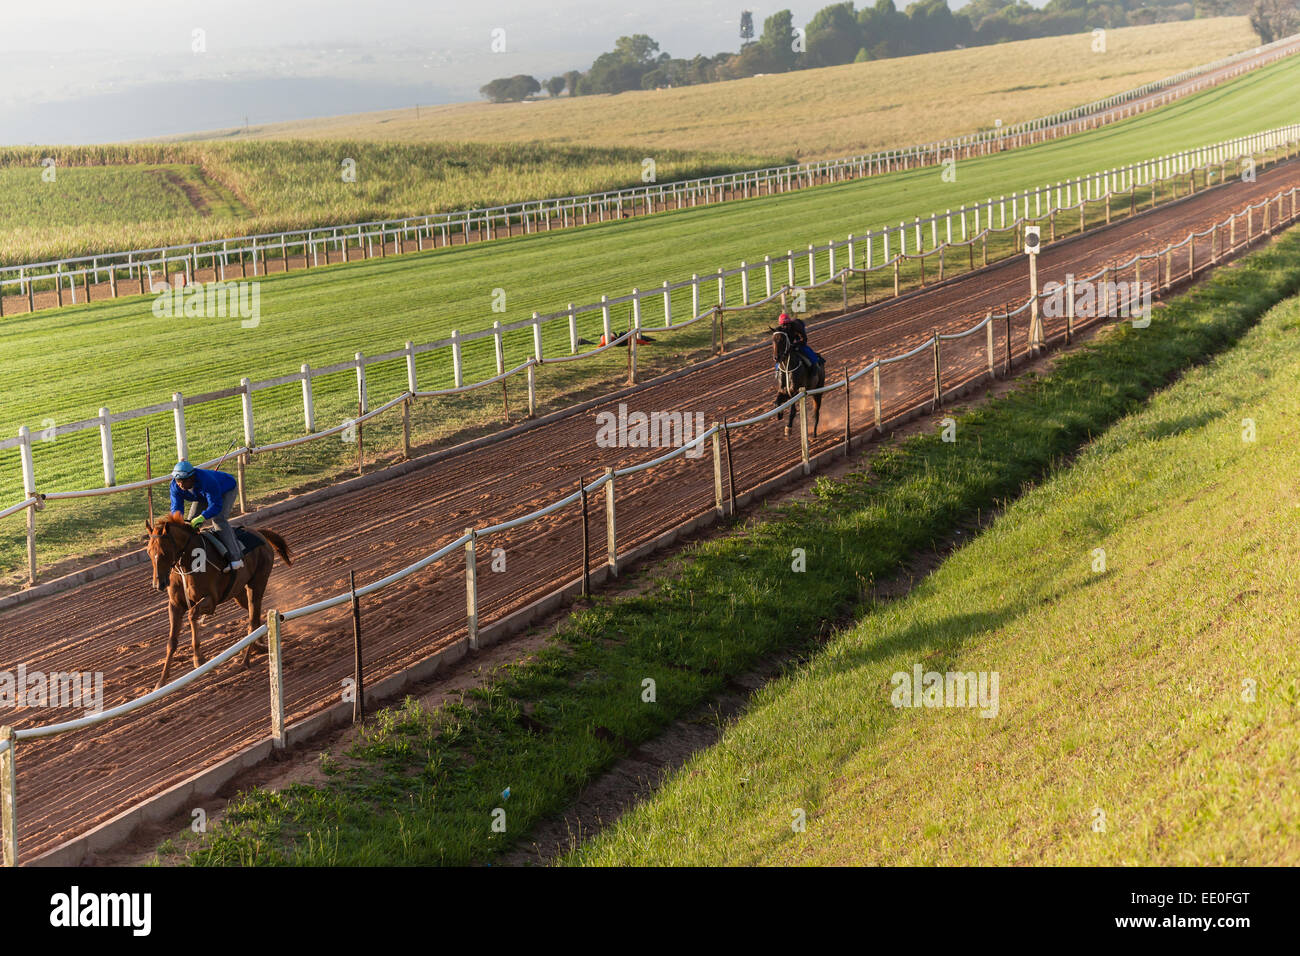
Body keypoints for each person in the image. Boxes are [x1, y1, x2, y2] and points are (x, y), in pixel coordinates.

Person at [168, 460, 243, 572]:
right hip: (202, 495)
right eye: (178, 480)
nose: (180, 484)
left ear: (192, 478)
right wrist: (178, 523)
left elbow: (216, 506)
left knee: (218, 519)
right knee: (190, 524)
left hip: (226, 489)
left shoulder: (207, 481)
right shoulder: (175, 486)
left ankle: (236, 558)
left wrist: (203, 516)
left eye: (183, 480)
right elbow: (176, 508)